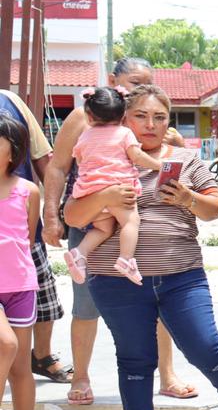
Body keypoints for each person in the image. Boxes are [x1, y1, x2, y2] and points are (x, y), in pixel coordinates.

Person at [63, 86, 218, 410]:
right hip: (116, 280)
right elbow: (73, 215)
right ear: (123, 118)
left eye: (159, 117)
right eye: (141, 116)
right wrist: (104, 199)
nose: (150, 125)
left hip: (180, 275)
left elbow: (214, 209)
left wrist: (187, 198)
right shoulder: (102, 157)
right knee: (135, 359)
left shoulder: (185, 159)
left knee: (204, 343)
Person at [40, 57, 194, 405]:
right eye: (134, 82)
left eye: (147, 83)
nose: (140, 91)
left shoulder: (150, 118)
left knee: (157, 297)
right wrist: (51, 215)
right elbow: (58, 166)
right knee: (87, 304)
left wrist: (175, 145)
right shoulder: (85, 116)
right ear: (114, 79)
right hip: (91, 216)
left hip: (141, 220)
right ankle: (80, 377)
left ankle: (167, 375)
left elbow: (168, 162)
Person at [63, 87, 165, 285]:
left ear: (89, 116)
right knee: (130, 222)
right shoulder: (124, 133)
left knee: (104, 227)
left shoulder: (85, 135)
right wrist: (159, 165)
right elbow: (137, 156)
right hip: (119, 188)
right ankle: (126, 259)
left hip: (89, 191)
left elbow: (80, 158)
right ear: (123, 115)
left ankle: (79, 252)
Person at [0, 115, 39, 410]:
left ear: (13, 151)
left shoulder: (29, 190)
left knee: (20, 367)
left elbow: (27, 237)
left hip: (21, 285)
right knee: (5, 345)